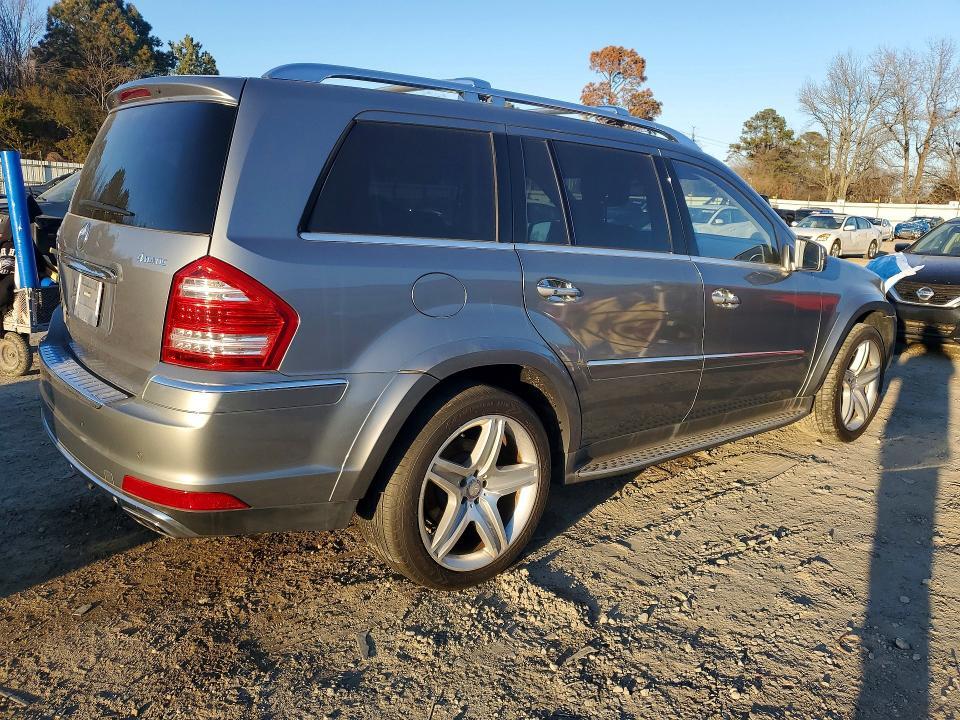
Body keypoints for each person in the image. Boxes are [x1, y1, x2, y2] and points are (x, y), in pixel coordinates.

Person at [0, 193, 43, 312]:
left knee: (6, 287)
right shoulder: (12, 241)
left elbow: (39, 265)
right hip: (9, 278)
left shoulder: (24, 243)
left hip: (13, 281)